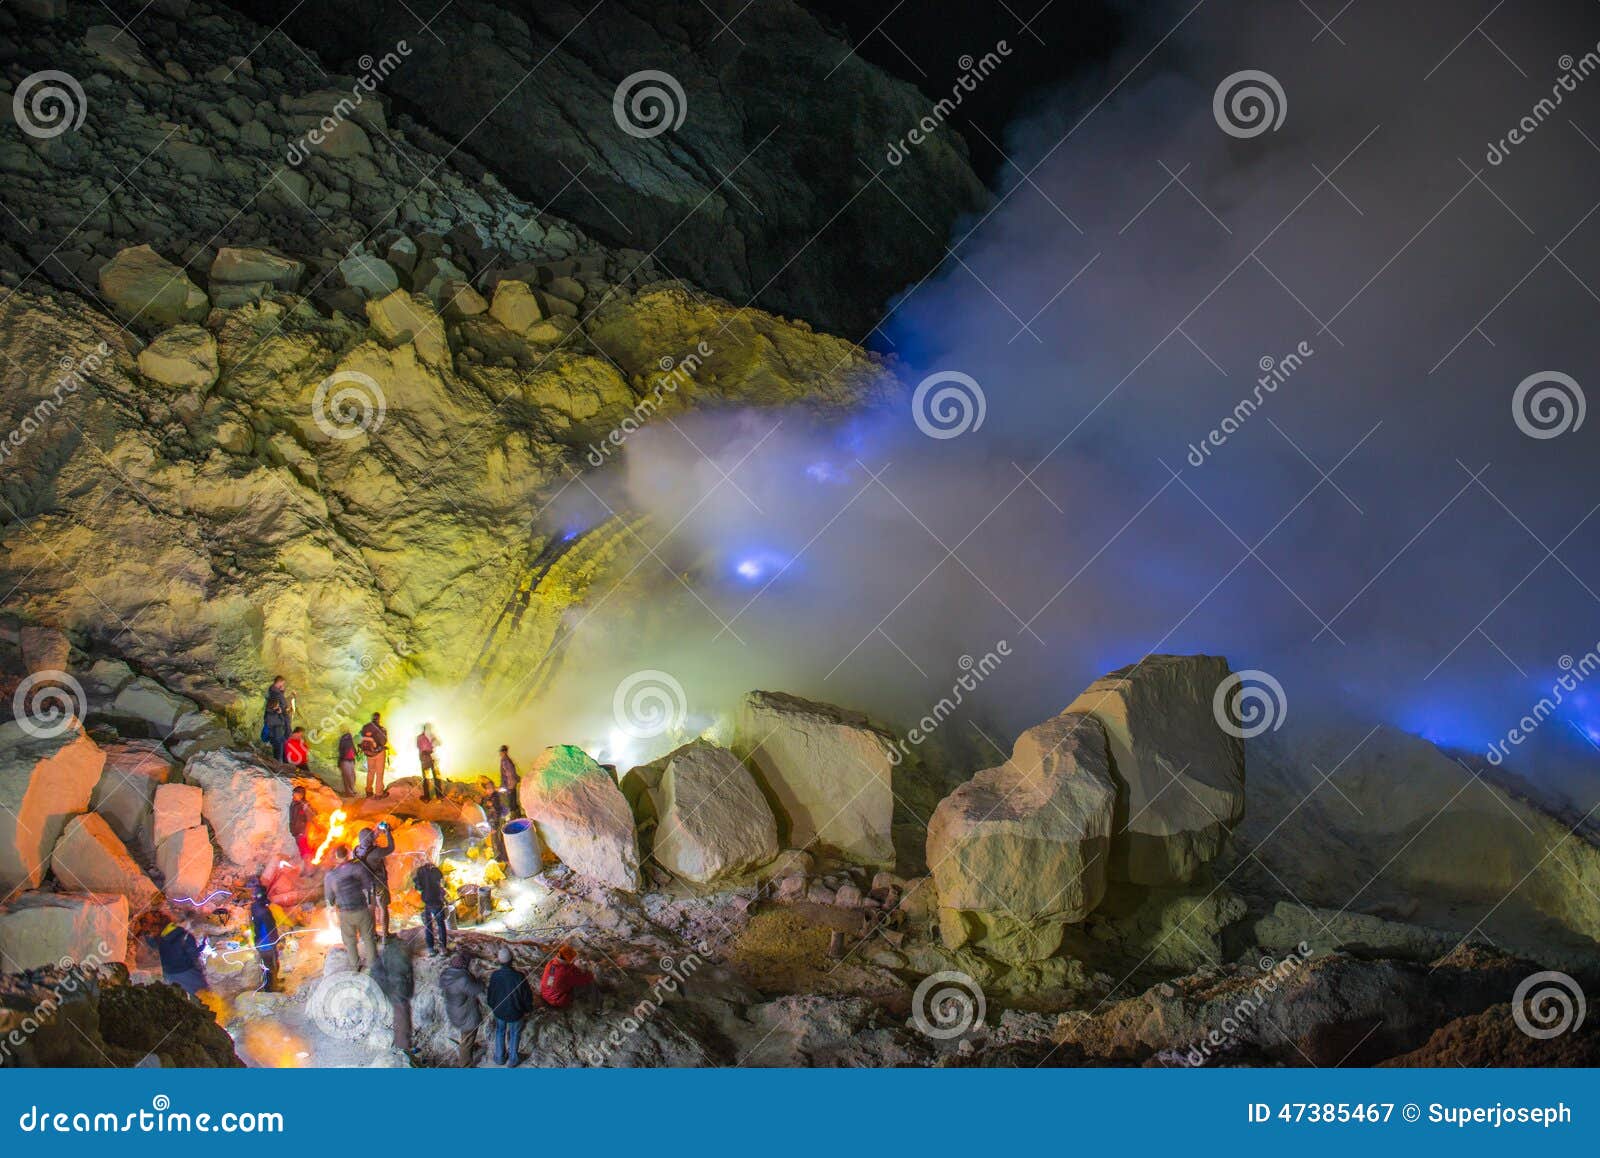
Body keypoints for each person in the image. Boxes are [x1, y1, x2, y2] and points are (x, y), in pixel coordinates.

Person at [323, 845, 378, 971]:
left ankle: (355, 966)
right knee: (368, 938)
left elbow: (329, 898)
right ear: (348, 855)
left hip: (345, 912)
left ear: (336, 857)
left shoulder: (331, 876)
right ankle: (373, 965)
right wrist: (371, 903)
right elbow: (370, 886)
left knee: (350, 941)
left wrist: (332, 907)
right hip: (361, 909)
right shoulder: (358, 868)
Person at [487, 945, 534, 1067]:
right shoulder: (519, 976)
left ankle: (499, 1058)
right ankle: (513, 1059)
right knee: (514, 1033)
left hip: (500, 1011)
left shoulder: (494, 975)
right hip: (516, 1012)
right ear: (512, 960)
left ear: (499, 960)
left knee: (500, 1031)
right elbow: (526, 996)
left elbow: (491, 994)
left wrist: (493, 1006)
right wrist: (528, 1009)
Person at [439, 951, 485, 1067]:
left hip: (454, 1011)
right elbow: (476, 989)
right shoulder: (462, 979)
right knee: (468, 1036)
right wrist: (480, 979)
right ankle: (465, 1064)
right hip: (465, 1014)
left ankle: (468, 1046)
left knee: (466, 1035)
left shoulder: (445, 974)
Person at [371, 933, 415, 1054]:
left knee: (401, 1016)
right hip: (400, 992)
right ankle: (403, 1048)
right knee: (402, 1018)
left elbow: (376, 970)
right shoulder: (401, 955)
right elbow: (407, 974)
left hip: (394, 990)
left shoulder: (388, 952)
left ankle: (403, 1044)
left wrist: (384, 987)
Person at [147, 913, 208, 997]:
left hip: (169, 974)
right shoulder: (184, 936)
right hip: (187, 973)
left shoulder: (160, 939)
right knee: (203, 996)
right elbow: (193, 955)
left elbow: (153, 945)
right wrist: (203, 946)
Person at [357, 822, 396, 939]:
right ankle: (385, 934)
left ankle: (373, 935)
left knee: (371, 909)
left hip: (365, 886)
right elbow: (391, 848)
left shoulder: (356, 851)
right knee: (383, 907)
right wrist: (388, 833)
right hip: (378, 884)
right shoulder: (376, 852)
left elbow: (369, 841)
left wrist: (377, 832)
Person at [247, 883, 283, 992]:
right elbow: (270, 928)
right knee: (270, 966)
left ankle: (274, 981)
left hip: (261, 941)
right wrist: (278, 940)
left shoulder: (254, 907)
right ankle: (271, 988)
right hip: (266, 944)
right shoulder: (264, 912)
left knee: (273, 964)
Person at [539, 943, 595, 1009]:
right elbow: (587, 978)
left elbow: (568, 970)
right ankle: (595, 1006)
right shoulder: (566, 973)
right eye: (573, 959)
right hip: (557, 999)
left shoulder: (552, 962)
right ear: (568, 961)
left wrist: (575, 966)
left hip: (546, 993)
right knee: (590, 984)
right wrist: (591, 970)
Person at [413, 855, 449, 956]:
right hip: (437, 900)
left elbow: (418, 887)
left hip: (427, 901)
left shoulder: (420, 871)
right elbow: (442, 884)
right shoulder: (436, 870)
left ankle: (431, 948)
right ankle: (443, 948)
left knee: (428, 926)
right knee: (441, 924)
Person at [477, 775, 509, 864]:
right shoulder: (490, 797)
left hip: (497, 822)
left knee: (497, 840)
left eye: (491, 788)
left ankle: (501, 858)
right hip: (494, 821)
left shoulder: (495, 798)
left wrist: (494, 826)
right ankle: (501, 857)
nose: (489, 790)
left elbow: (496, 812)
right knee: (496, 840)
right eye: (488, 788)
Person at [360, 712, 389, 798]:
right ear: (379, 718)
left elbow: (362, 734)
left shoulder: (365, 727)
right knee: (379, 773)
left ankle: (368, 791)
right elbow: (384, 741)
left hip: (369, 753)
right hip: (378, 753)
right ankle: (379, 793)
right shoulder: (381, 729)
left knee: (370, 772)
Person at [263, 676, 291, 762]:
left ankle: (283, 763)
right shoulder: (274, 693)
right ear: (279, 682)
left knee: (282, 747)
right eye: (282, 683)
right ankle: (278, 765)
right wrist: (282, 711)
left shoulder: (276, 691)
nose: (283, 685)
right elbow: (279, 722)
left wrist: (282, 691)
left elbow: (279, 701)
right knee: (279, 749)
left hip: (279, 730)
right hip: (277, 732)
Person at [416, 724, 443, 802]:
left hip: (425, 759)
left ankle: (427, 797)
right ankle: (439, 795)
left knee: (426, 778)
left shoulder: (420, 737)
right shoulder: (431, 736)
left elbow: (419, 747)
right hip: (432, 758)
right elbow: (439, 743)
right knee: (436, 777)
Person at [288, 785, 313, 866]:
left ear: (301, 795)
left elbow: (310, 819)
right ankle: (307, 865)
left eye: (295, 794)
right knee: (302, 850)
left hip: (302, 832)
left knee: (305, 850)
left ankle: (309, 867)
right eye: (293, 794)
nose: (293, 796)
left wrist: (305, 832)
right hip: (296, 831)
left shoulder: (305, 805)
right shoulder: (293, 803)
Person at [497, 745, 523, 818]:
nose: (500, 753)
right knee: (513, 801)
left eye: (502, 751)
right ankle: (517, 816)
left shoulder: (505, 760)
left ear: (504, 752)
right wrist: (517, 779)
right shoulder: (506, 759)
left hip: (510, 785)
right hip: (511, 784)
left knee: (511, 803)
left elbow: (509, 773)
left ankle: (515, 818)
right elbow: (511, 773)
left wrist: (506, 785)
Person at [336, 728, 358, 796]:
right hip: (345, 761)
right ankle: (349, 792)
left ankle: (351, 790)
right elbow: (342, 750)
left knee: (351, 776)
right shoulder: (345, 739)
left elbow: (351, 750)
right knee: (347, 777)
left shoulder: (348, 740)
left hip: (349, 760)